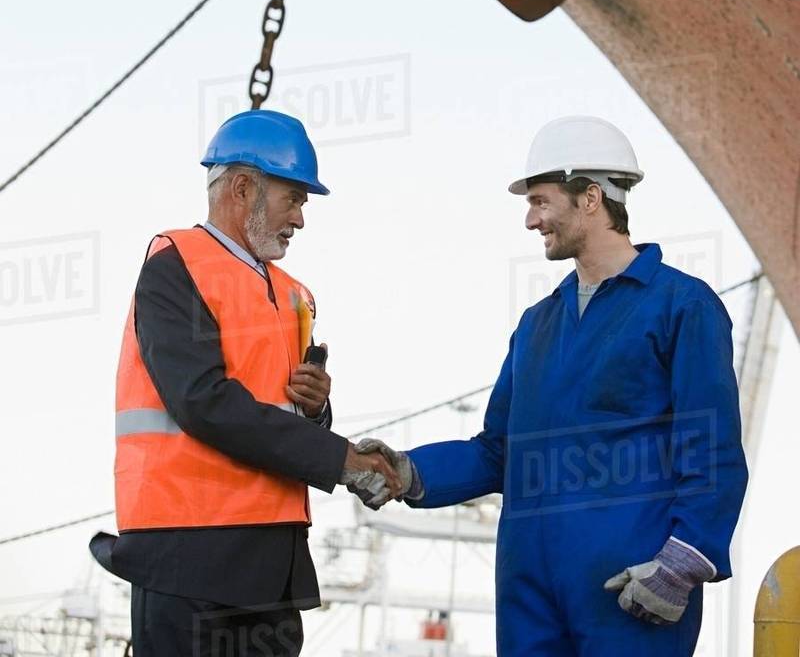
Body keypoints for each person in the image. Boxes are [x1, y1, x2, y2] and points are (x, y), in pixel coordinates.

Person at [354, 116, 749, 656]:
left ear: (590, 198)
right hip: (530, 591)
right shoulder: (537, 323)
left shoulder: (684, 306)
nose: (530, 219)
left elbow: (713, 448)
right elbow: (498, 452)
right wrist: (410, 472)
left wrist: (684, 561)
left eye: (540, 201)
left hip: (630, 590)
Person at [90, 109, 400, 657]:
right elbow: (202, 402)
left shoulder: (294, 292)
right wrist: (341, 459)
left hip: (271, 566)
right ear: (241, 188)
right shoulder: (176, 262)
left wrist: (315, 409)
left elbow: (276, 408)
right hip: (189, 555)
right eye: (294, 198)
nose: (300, 218)